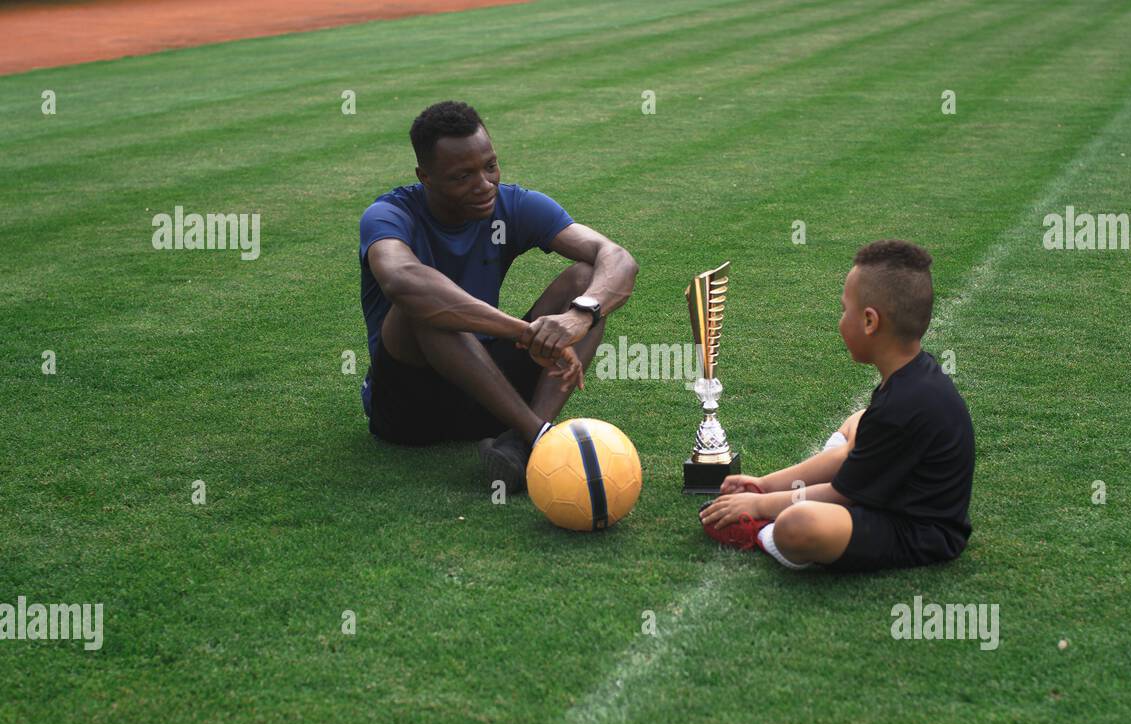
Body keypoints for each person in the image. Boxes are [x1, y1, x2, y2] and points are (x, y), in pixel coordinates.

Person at [358, 101, 638, 492]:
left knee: (586, 281)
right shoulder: (389, 214)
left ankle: (520, 444)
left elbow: (617, 259)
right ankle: (541, 438)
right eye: (462, 176)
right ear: (426, 177)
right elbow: (402, 281)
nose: (484, 184)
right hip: (410, 411)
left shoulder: (513, 205)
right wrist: (523, 332)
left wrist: (580, 315)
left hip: (488, 395)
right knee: (422, 306)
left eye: (490, 166)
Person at [699, 240, 974, 572]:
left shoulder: (904, 405)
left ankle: (763, 535)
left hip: (918, 531)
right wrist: (766, 482)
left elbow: (840, 494)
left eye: (845, 310)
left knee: (798, 524)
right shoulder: (913, 375)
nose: (841, 319)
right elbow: (847, 459)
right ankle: (777, 511)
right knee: (859, 421)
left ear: (870, 322)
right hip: (892, 496)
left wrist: (758, 505)